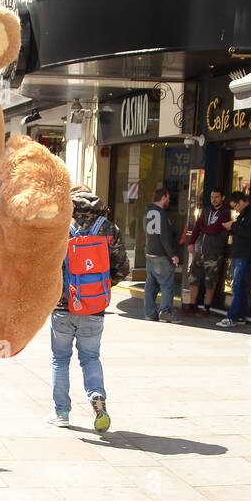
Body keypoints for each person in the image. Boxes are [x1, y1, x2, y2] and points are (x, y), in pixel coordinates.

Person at [48, 185, 129, 433]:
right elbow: (123, 268)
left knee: (60, 360)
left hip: (62, 305)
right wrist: (101, 287)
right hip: (94, 307)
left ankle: (61, 413)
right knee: (90, 358)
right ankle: (97, 398)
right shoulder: (108, 228)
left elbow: (45, 265)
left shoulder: (59, 224)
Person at [217, 191, 251, 328]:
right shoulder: (243, 214)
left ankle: (232, 316)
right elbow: (241, 230)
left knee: (237, 285)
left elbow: (248, 232)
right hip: (238, 254)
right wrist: (231, 228)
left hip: (245, 255)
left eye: (235, 206)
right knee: (239, 286)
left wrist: (233, 226)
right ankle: (241, 315)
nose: (235, 209)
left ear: (241, 201)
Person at [186, 187, 229, 315]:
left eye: (216, 197)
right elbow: (197, 227)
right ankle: (192, 305)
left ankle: (207, 308)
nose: (214, 200)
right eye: (212, 197)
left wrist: (203, 227)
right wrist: (191, 242)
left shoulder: (225, 213)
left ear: (222, 198)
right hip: (200, 250)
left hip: (214, 252)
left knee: (210, 281)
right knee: (193, 278)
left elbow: (214, 230)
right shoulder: (206, 210)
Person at [143, 185, 179, 322]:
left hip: (150, 252)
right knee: (167, 284)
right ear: (164, 197)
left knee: (150, 285)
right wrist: (173, 255)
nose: (168, 200)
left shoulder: (147, 211)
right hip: (162, 255)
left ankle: (149, 313)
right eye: (168, 198)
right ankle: (165, 312)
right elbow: (164, 236)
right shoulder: (161, 213)